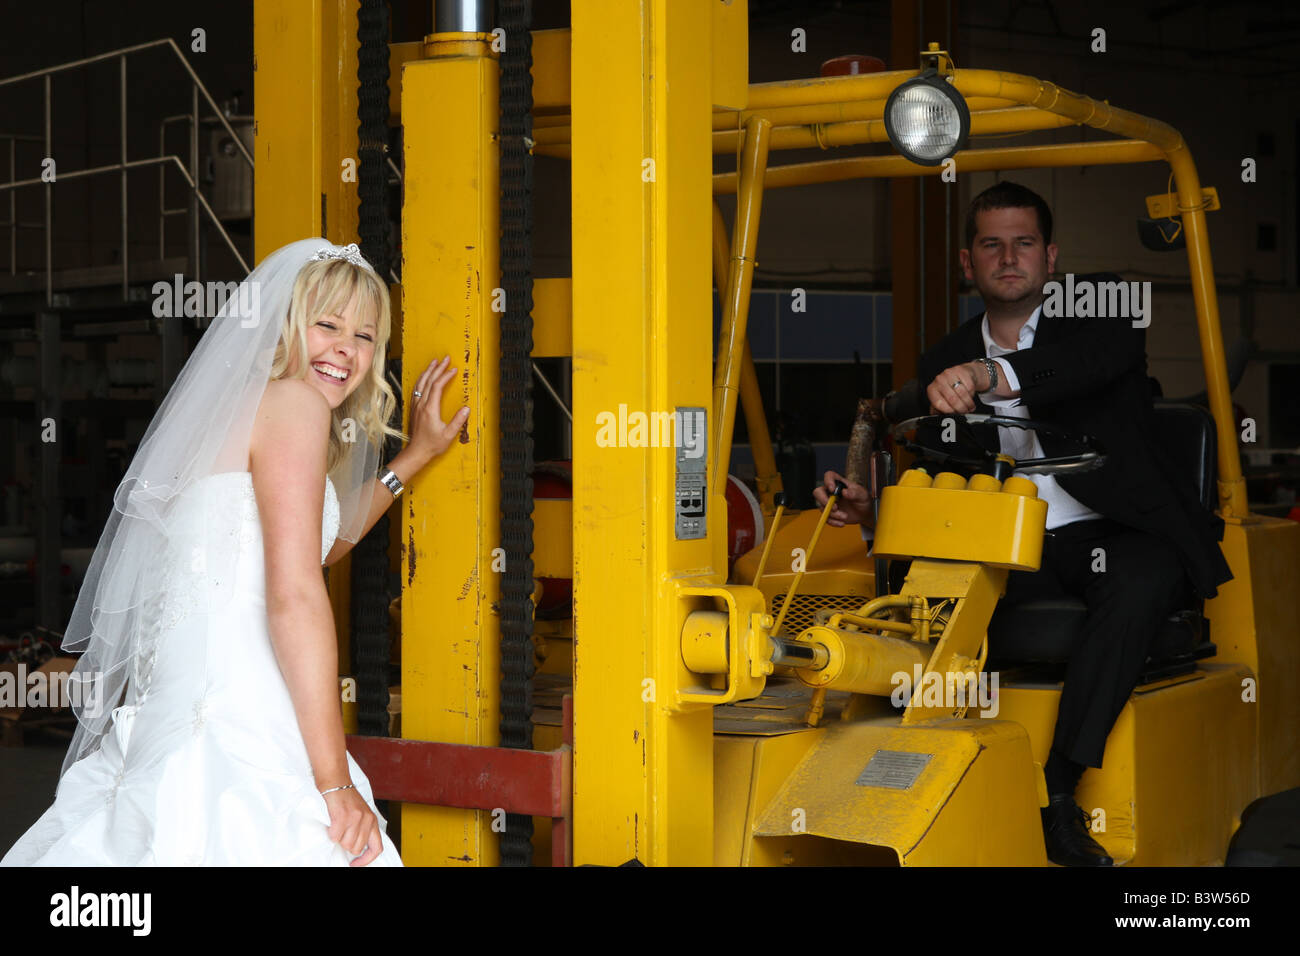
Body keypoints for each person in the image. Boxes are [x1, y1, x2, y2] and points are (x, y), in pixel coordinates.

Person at [1, 238, 470, 866]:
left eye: (364, 334)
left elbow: (319, 546)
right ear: (284, 325)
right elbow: (295, 590)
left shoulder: (246, 410)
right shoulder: (295, 406)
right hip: (242, 708)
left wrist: (412, 458)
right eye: (327, 324)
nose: (346, 350)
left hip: (187, 702)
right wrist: (333, 782)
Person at [815, 181, 1231, 866]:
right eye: (991, 244)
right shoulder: (938, 361)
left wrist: (987, 374)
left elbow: (1080, 367)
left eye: (1024, 242)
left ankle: (1059, 793)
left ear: (1051, 255)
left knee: (1140, 576)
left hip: (1109, 528)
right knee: (919, 591)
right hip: (1002, 545)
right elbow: (941, 476)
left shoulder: (1101, 315)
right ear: (967, 262)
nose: (1009, 257)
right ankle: (891, 774)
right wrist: (874, 515)